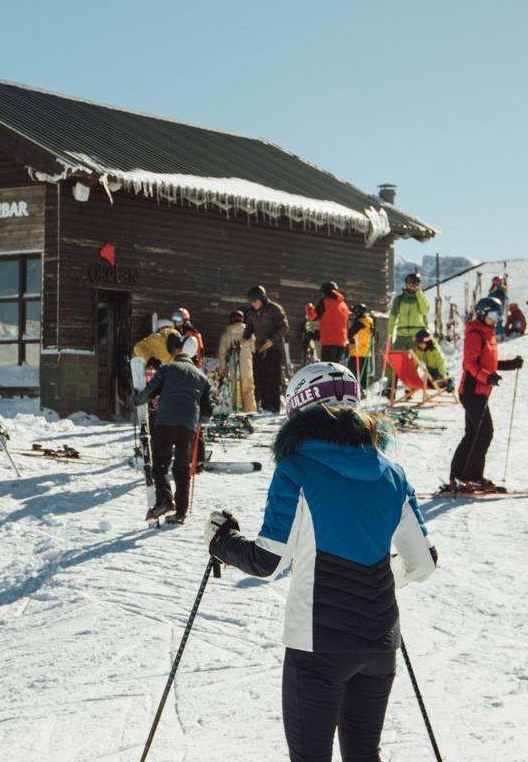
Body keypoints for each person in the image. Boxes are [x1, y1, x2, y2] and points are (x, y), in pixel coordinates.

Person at [204, 362, 436, 762]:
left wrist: (222, 541)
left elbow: (268, 561)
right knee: (364, 754)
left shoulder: (297, 469)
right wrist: (386, 575)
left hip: (318, 646)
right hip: (379, 640)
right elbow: (424, 562)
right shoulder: (393, 474)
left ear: (299, 410)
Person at [447, 297, 523, 492]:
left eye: (499, 314)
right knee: (484, 432)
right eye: (493, 315)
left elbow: (489, 362)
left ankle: (458, 475)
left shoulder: (487, 333)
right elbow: (470, 364)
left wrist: (510, 364)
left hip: (479, 390)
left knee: (473, 433)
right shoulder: (475, 334)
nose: (496, 319)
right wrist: (487, 378)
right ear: (482, 313)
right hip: (473, 390)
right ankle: (472, 477)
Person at [135, 335, 212, 524]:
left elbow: (150, 391)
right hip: (187, 426)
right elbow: (208, 411)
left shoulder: (167, 369)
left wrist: (137, 399)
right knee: (182, 468)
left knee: (160, 464)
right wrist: (199, 419)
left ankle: (164, 501)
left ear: (177, 353)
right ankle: (181, 512)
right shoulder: (201, 377)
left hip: (166, 421)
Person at [244, 285, 289, 413]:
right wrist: (244, 338)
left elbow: (284, 327)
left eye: (254, 301)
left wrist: (272, 340)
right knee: (260, 377)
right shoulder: (251, 312)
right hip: (259, 348)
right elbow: (249, 328)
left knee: (272, 378)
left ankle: (274, 407)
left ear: (261, 299)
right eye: (251, 301)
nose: (253, 304)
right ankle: (264, 406)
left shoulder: (274, 309)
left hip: (274, 348)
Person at [387, 273, 431, 392]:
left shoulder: (420, 298)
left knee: (414, 362)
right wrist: (389, 333)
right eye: (410, 283)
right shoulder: (399, 299)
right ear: (406, 284)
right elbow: (393, 316)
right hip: (401, 335)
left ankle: (411, 386)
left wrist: (419, 293)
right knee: (393, 359)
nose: (412, 285)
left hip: (416, 335)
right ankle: (390, 387)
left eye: (416, 283)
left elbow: (425, 310)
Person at [217, 309, 257, 413]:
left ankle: (236, 413)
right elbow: (254, 350)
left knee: (235, 392)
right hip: (247, 370)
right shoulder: (249, 334)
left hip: (232, 371)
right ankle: (250, 413)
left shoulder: (225, 335)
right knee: (248, 392)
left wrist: (222, 371)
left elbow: (222, 355)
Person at [310, 281, 350, 364]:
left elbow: (313, 317)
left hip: (329, 340)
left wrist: (309, 308)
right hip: (342, 341)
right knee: (335, 367)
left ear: (325, 292)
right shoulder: (344, 305)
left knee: (327, 367)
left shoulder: (325, 302)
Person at [348, 302, 375, 391]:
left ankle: (353, 390)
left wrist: (350, 340)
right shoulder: (370, 321)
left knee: (351, 373)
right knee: (364, 375)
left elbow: (350, 334)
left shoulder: (359, 323)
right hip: (366, 352)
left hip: (356, 352)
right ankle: (363, 390)